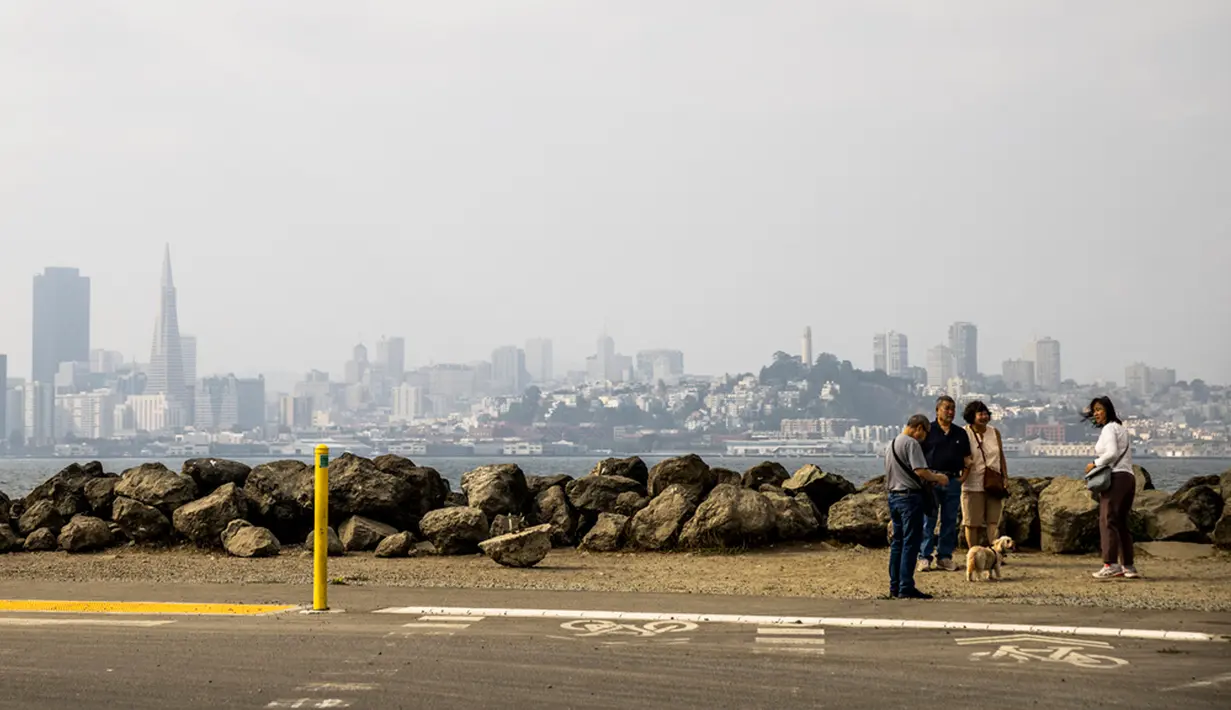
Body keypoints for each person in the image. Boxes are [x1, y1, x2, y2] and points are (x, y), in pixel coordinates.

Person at [886, 414, 951, 599]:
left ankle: (895, 586)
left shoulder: (892, 443)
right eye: (926, 433)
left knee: (897, 543)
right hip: (909, 499)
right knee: (911, 543)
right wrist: (939, 478)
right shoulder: (911, 444)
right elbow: (920, 471)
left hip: (894, 497)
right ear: (919, 428)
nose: (925, 438)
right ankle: (906, 586)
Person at [1084, 396, 1139, 579]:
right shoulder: (1121, 429)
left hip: (1115, 478)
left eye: (1099, 409)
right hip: (1129, 477)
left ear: (1108, 410)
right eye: (1094, 411)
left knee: (1107, 520)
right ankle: (1128, 566)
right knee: (1121, 522)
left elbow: (1112, 453)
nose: (1096, 414)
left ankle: (1110, 564)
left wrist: (1095, 463)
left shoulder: (1109, 429)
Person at [918, 396, 970, 572]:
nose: (950, 412)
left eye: (953, 409)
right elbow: (918, 456)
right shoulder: (928, 431)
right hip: (931, 482)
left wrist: (963, 478)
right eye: (947, 408)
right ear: (937, 410)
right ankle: (924, 557)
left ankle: (944, 557)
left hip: (953, 481)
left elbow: (967, 459)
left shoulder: (960, 433)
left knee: (949, 521)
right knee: (928, 520)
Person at [961, 400, 1007, 549]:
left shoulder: (995, 433)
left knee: (993, 521)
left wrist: (1005, 477)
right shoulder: (964, 433)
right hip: (972, 482)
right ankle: (973, 552)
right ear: (971, 416)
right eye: (980, 414)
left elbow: (1000, 456)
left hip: (993, 482)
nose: (984, 417)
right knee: (971, 522)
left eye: (986, 413)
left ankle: (995, 552)